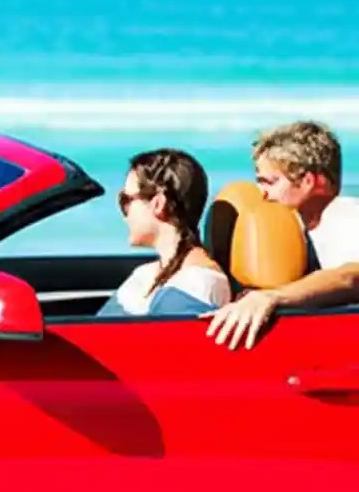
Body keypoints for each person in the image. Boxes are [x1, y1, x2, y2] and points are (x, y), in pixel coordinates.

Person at [205, 121, 359, 349]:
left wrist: (273, 297)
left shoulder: (344, 216)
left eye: (271, 182)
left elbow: (352, 276)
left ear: (308, 181)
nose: (263, 194)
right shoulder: (297, 229)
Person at [99, 148, 231, 316]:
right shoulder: (146, 275)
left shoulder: (196, 283)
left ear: (158, 204)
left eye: (126, 200)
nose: (124, 213)